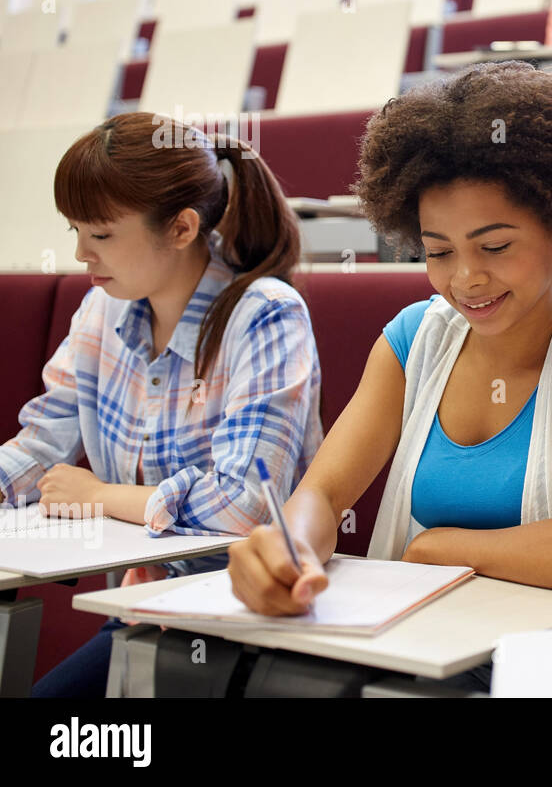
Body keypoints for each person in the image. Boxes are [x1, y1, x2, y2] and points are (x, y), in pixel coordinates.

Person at [226, 62, 552, 690]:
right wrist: (292, 546)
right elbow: (323, 495)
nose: (465, 279)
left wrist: (441, 547)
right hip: (420, 658)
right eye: (438, 252)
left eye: (494, 248)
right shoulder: (413, 338)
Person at [0, 113, 324, 697]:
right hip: (145, 609)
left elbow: (247, 506)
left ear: (180, 228)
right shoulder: (104, 307)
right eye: (75, 230)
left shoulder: (265, 314)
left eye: (100, 235)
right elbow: (40, 442)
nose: (79, 253)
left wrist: (101, 497)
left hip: (249, 619)